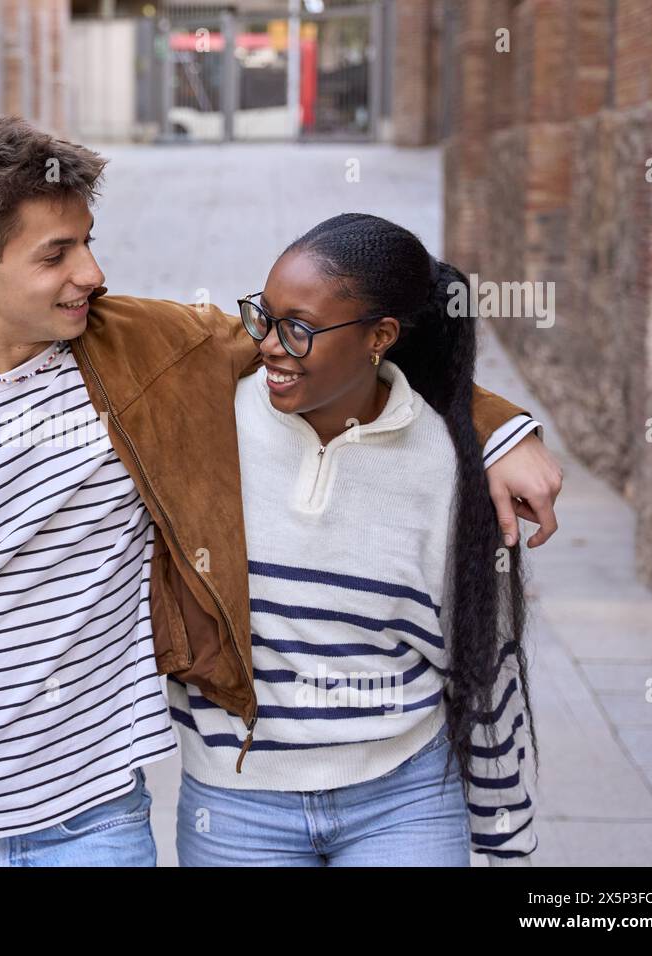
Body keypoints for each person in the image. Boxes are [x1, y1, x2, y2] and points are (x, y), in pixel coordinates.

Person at [0, 117, 562, 866]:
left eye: (89, 241)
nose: (91, 272)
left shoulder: (137, 352)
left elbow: (322, 355)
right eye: (57, 255)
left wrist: (494, 428)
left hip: (95, 822)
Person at [170, 213, 538, 866]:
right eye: (264, 315)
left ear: (381, 337)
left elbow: (486, 663)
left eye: (299, 329)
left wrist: (506, 841)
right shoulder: (204, 422)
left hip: (405, 798)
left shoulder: (448, 466)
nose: (269, 346)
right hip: (235, 803)